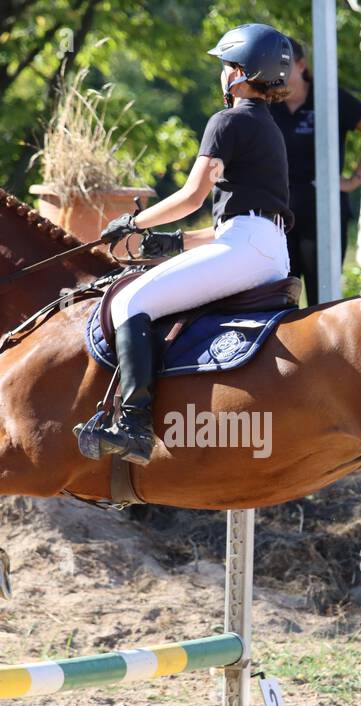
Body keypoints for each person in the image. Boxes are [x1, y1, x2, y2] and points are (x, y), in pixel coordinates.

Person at [77, 23, 295, 466]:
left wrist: (132, 222)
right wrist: (173, 242)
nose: (221, 73)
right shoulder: (268, 129)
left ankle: (134, 423)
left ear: (240, 72)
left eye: (225, 65)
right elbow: (236, 223)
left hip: (246, 249)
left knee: (130, 301)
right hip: (265, 250)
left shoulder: (227, 121)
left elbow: (193, 196)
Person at [272, 37, 361, 306]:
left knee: (323, 298)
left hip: (322, 212)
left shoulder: (328, 98)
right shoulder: (266, 102)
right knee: (278, 298)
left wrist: (352, 180)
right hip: (277, 215)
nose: (275, 72)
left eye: (282, 64)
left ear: (301, 65)